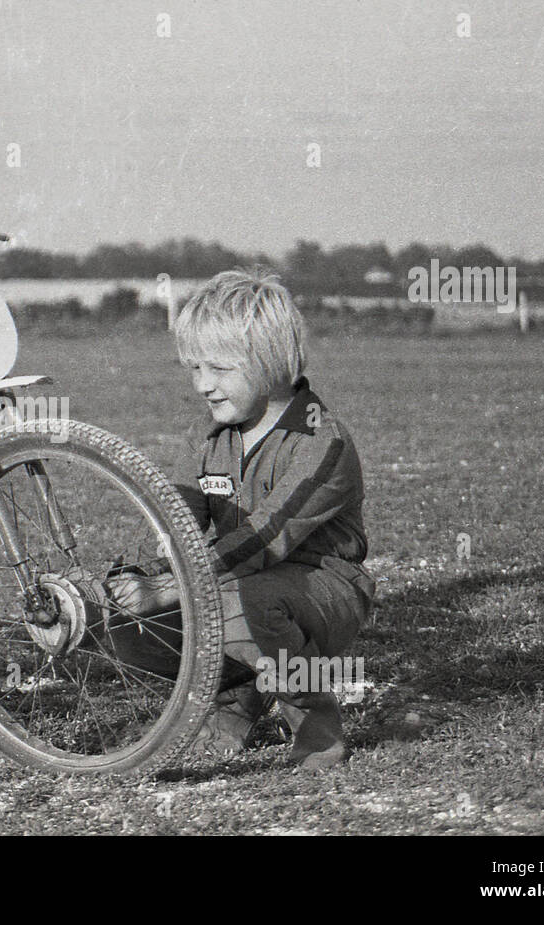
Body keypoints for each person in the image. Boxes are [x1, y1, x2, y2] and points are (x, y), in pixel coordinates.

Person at [107, 268, 375, 769]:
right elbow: (178, 514)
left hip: (325, 588)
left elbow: (267, 536)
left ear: (271, 361)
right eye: (193, 369)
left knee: (238, 600)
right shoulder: (210, 437)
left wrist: (175, 586)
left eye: (219, 369)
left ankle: (318, 730)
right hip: (232, 581)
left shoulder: (323, 441)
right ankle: (237, 700)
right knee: (122, 617)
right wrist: (130, 582)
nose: (203, 385)